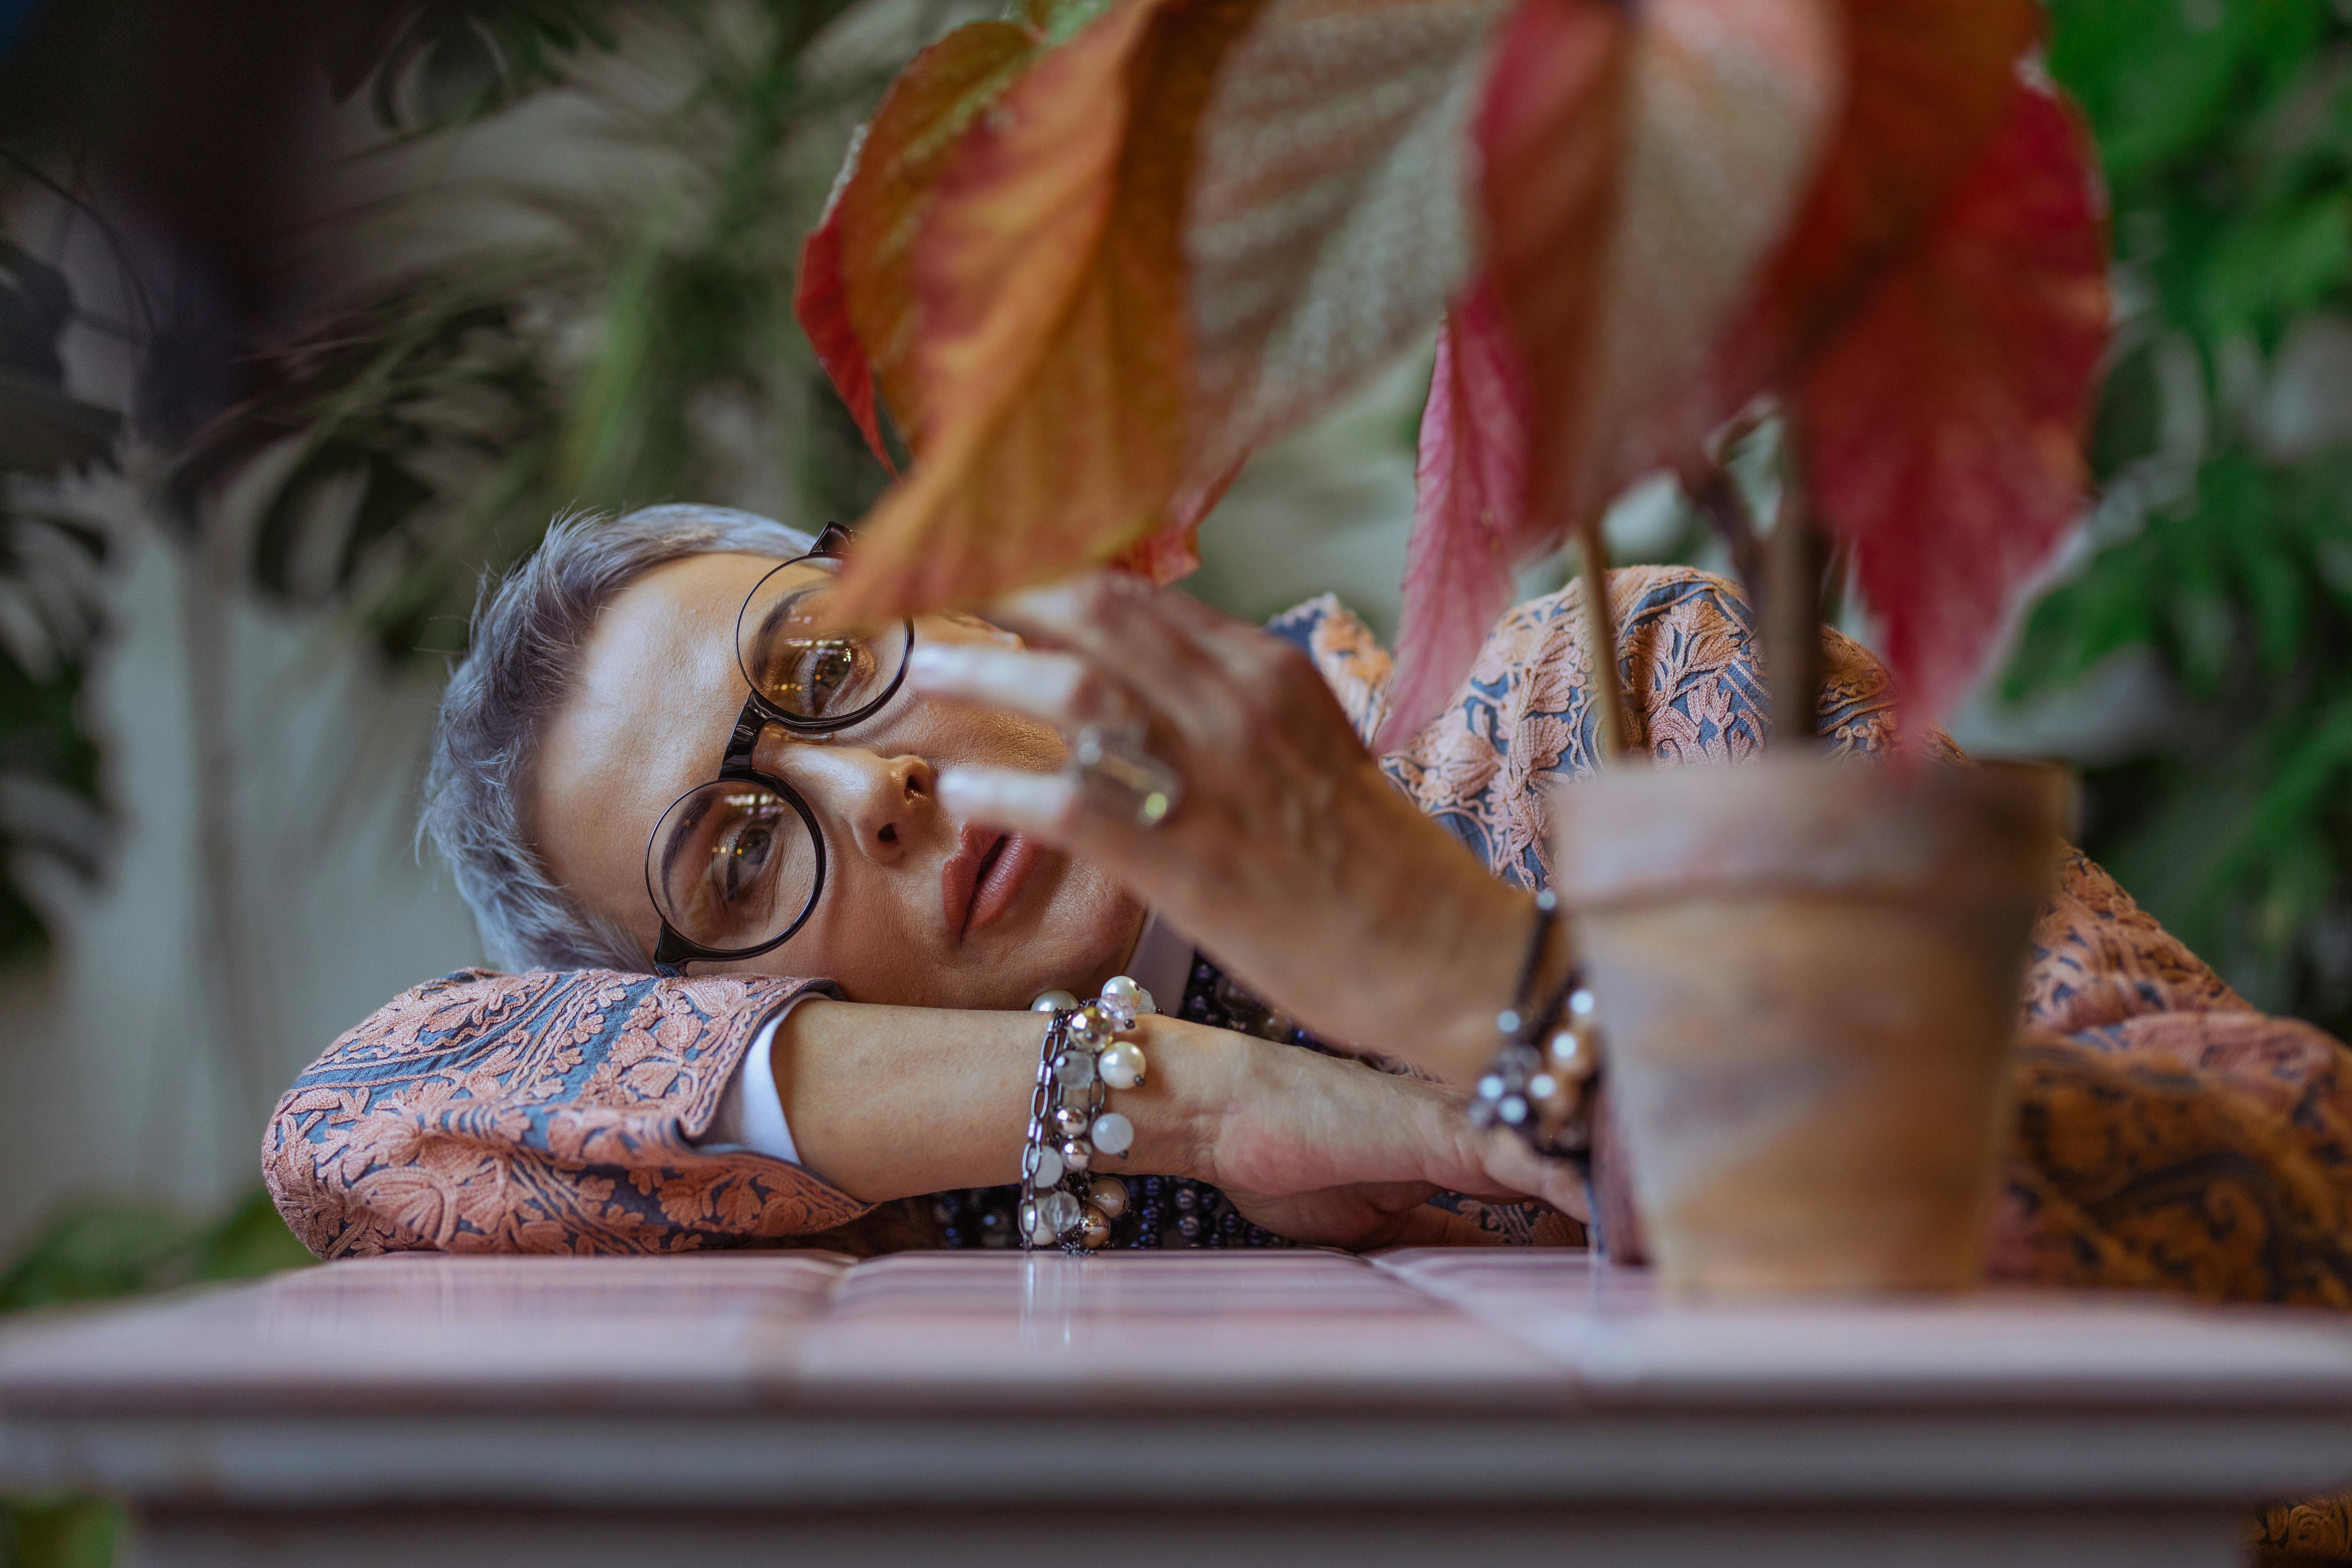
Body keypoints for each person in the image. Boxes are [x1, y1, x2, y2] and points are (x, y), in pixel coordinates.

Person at [266, 505, 2352, 1301]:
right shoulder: (903, 1164)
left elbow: (2300, 1204)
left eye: (827, 667)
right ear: (704, 997)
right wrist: (1167, 1100)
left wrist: (1479, 985)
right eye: (738, 855)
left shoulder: (1615, 712)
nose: (872, 789)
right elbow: (359, 1123)